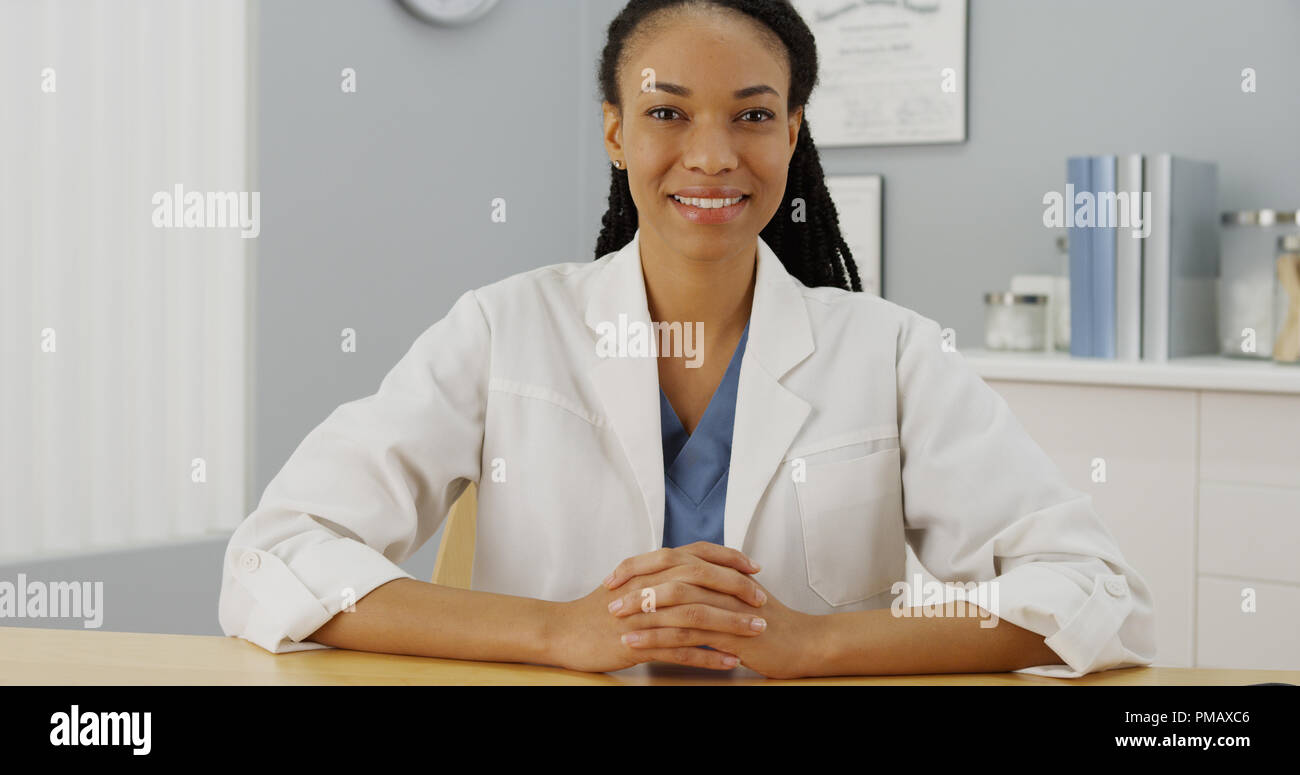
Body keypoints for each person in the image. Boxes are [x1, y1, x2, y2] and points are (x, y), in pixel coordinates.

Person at [218, 0, 1156, 679]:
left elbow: (1094, 590)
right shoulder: (505, 328)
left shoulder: (893, 352)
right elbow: (274, 555)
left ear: (792, 135)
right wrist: (560, 632)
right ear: (617, 133)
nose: (712, 154)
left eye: (752, 115)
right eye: (669, 113)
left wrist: (813, 645)